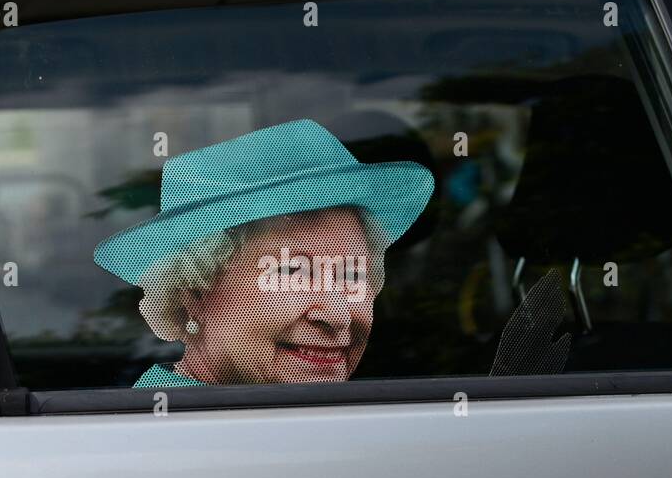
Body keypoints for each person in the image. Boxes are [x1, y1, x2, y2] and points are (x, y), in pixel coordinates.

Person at [94, 118, 434, 386]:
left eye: (353, 275)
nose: (337, 315)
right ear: (193, 293)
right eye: (293, 273)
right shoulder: (166, 444)